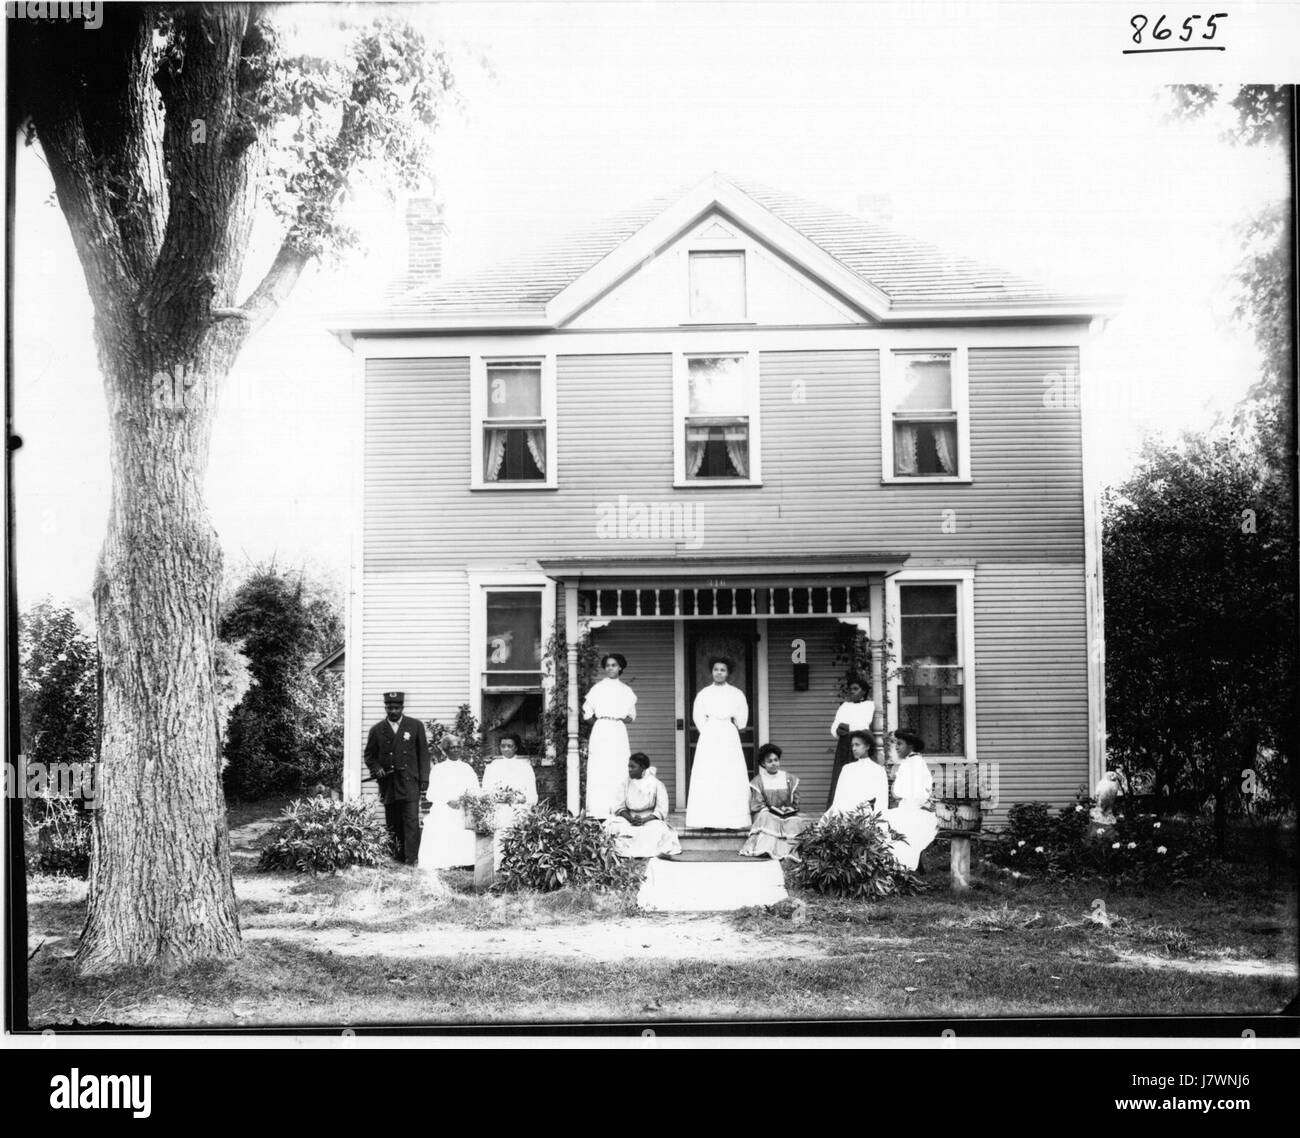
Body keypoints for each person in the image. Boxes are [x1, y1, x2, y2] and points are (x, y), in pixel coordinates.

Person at [363, 690, 431, 865]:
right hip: (389, 783)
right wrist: (376, 768)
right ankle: (397, 857)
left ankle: (411, 859)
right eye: (389, 707)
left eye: (396, 707)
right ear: (385, 707)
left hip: (409, 782)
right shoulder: (377, 730)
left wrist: (424, 780)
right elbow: (370, 756)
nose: (393, 711)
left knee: (411, 821)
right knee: (393, 822)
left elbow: (423, 754)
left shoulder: (415, 726)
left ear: (402, 707)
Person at [685, 656, 752, 829]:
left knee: (729, 773)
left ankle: (732, 820)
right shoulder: (704, 693)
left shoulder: (736, 693)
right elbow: (698, 715)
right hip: (709, 734)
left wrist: (737, 724)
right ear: (711, 672)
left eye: (722, 670)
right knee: (709, 772)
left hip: (729, 734)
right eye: (716, 669)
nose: (719, 673)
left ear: (728, 673)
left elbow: (742, 717)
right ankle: (707, 819)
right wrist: (707, 729)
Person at [582, 652, 637, 818]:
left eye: (614, 665)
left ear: (620, 667)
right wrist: (601, 724)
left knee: (618, 767)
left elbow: (631, 716)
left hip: (618, 731)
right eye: (607, 665)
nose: (610, 668)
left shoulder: (626, 690)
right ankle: (599, 809)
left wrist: (616, 721)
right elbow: (587, 713)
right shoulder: (598, 689)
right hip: (601, 730)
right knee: (600, 768)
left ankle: (618, 808)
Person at [605, 752, 681, 858]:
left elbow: (661, 809)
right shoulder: (625, 783)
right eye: (629, 766)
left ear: (642, 768)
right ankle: (624, 853)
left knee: (658, 830)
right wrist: (630, 819)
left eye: (633, 767)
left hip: (650, 818)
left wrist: (644, 820)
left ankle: (644, 853)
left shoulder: (656, 784)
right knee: (614, 827)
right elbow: (619, 806)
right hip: (628, 817)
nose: (629, 769)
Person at [739, 743, 808, 861]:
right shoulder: (758, 780)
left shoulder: (789, 778)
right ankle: (768, 849)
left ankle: (789, 851)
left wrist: (789, 808)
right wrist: (772, 810)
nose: (774, 763)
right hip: (767, 813)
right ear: (763, 764)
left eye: (776, 760)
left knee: (796, 821)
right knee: (767, 817)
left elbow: (795, 800)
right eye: (769, 761)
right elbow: (757, 804)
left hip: (786, 813)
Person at [884, 728, 938, 871]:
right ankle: (906, 865)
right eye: (895, 743)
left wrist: (898, 792)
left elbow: (916, 792)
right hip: (907, 806)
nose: (896, 747)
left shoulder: (915, 764)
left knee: (893, 825)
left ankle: (903, 866)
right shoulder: (908, 763)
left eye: (900, 744)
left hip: (915, 809)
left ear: (910, 746)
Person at [418, 749, 480, 871]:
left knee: (463, 824)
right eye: (452, 747)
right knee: (442, 823)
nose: (456, 750)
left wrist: (464, 800)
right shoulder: (438, 769)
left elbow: (475, 789)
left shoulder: (467, 768)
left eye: (458, 746)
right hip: (443, 806)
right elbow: (432, 792)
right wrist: (446, 800)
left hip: (463, 807)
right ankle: (445, 861)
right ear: (445, 750)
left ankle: (466, 862)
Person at [828, 674, 874, 809]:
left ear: (863, 691)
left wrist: (846, 727)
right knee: (841, 777)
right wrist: (841, 729)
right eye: (851, 689)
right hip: (844, 745)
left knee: (858, 777)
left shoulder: (868, 705)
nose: (852, 692)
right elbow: (834, 728)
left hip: (858, 744)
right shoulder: (844, 706)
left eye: (856, 689)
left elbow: (863, 724)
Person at [824, 731, 889, 819]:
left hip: (865, 816)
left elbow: (882, 801)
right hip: (844, 813)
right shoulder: (847, 769)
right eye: (852, 745)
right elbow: (838, 799)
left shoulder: (878, 770)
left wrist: (879, 823)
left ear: (867, 746)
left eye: (857, 745)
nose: (853, 748)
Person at [482, 732, 539, 805]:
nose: (506, 749)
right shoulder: (492, 767)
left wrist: (519, 799)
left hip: (519, 809)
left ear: (516, 748)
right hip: (497, 809)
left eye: (509, 746)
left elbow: (532, 794)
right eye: (503, 746)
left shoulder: (525, 767)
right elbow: (485, 791)